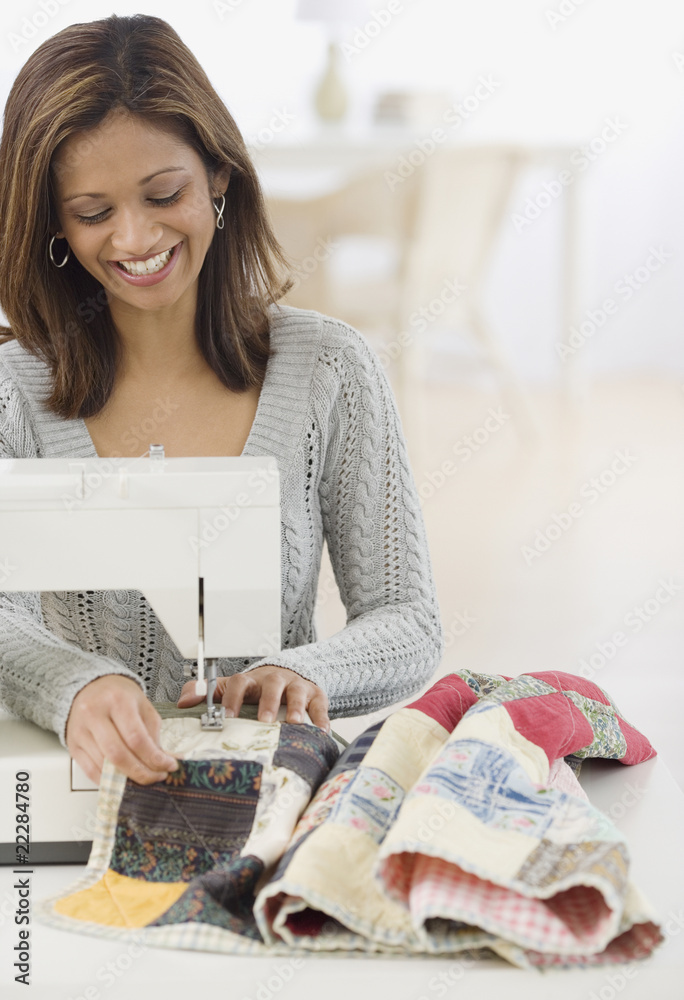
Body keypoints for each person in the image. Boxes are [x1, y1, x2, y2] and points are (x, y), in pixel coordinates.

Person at [0, 14, 443, 787]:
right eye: (93, 213)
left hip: (269, 798)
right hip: (82, 801)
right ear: (52, 223)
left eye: (163, 193)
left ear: (219, 175)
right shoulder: (14, 394)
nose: (134, 238)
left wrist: (302, 673)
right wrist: (73, 685)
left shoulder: (330, 370)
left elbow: (406, 619)